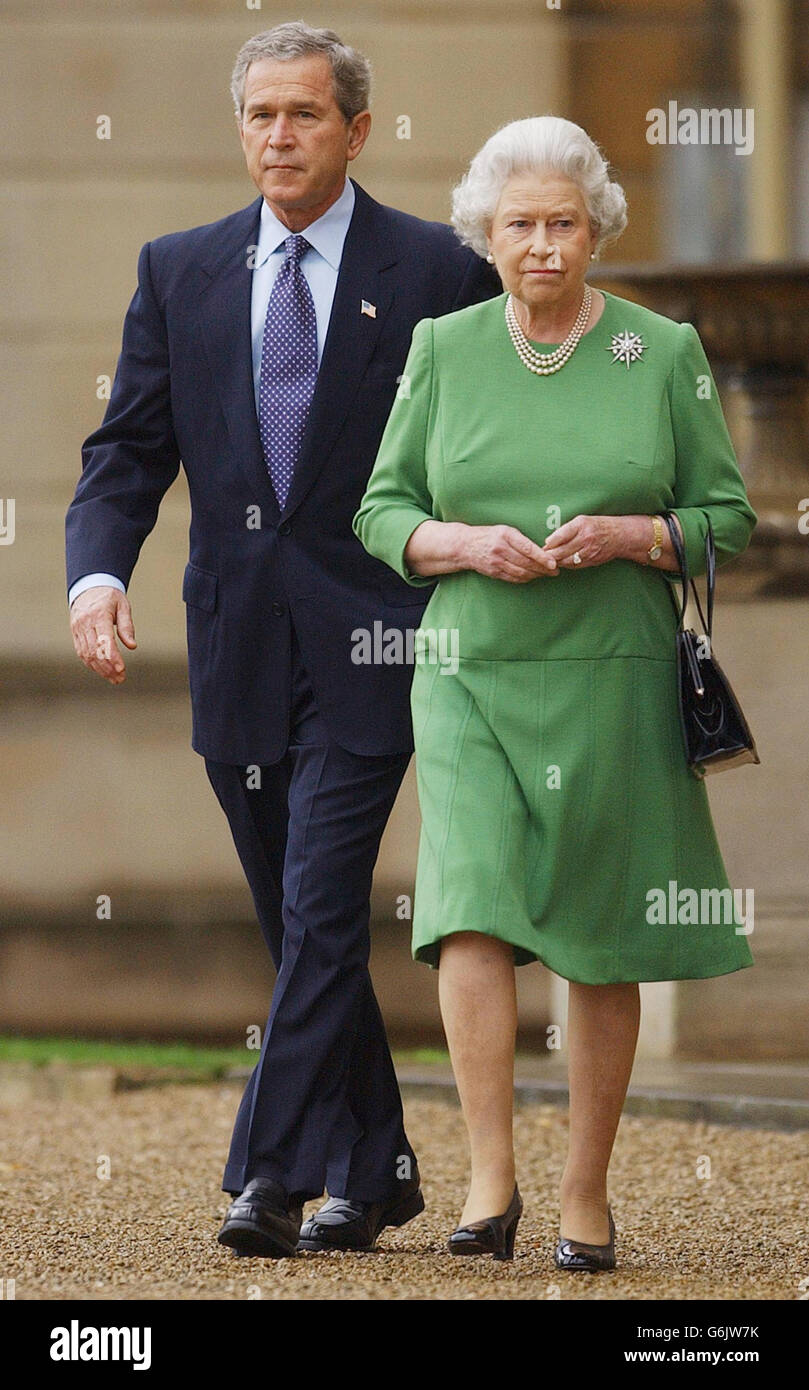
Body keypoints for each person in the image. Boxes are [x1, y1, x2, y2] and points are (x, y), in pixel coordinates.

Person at [65, 21, 500, 1258]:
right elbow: (127, 450)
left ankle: (269, 1174)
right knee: (297, 921)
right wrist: (96, 575)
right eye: (260, 114)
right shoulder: (178, 270)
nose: (278, 135)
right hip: (236, 643)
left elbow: (479, 449)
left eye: (303, 114)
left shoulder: (437, 269)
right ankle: (379, 1169)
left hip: (379, 639)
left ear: (354, 131)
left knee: (317, 902)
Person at [353, 115, 757, 1269]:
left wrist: (635, 533)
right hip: (469, 670)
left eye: (563, 224)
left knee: (598, 927)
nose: (541, 245)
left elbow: (726, 518)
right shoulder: (442, 347)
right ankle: (489, 1181)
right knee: (468, 906)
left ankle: (584, 1191)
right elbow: (380, 509)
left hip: (611, 673)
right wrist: (461, 544)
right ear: (485, 234)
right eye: (519, 225)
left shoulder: (659, 350)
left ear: (595, 232)